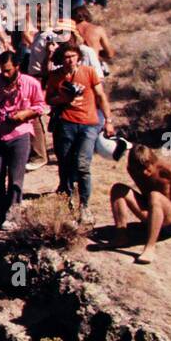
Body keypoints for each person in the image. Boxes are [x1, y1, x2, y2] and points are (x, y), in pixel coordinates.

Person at [46, 41, 115, 223]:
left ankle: (84, 206)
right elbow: (49, 99)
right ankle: (68, 201)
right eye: (66, 57)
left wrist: (108, 121)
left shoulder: (89, 72)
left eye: (73, 56)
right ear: (61, 59)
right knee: (65, 164)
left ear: (79, 57)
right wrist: (62, 98)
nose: (70, 60)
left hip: (89, 123)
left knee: (83, 165)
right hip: (65, 123)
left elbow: (101, 96)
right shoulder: (55, 76)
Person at [0, 51, 48, 229]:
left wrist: (26, 113)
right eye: (2, 70)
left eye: (8, 70)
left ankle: (12, 215)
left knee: (15, 178)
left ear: (17, 67)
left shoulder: (31, 83)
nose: (5, 74)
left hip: (20, 134)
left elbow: (40, 106)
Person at [110, 145, 171, 264]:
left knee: (154, 196)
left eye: (147, 168)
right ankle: (121, 237)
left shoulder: (168, 171)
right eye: (139, 170)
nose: (144, 173)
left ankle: (150, 248)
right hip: (152, 214)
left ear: (153, 162)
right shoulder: (132, 170)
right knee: (118, 189)